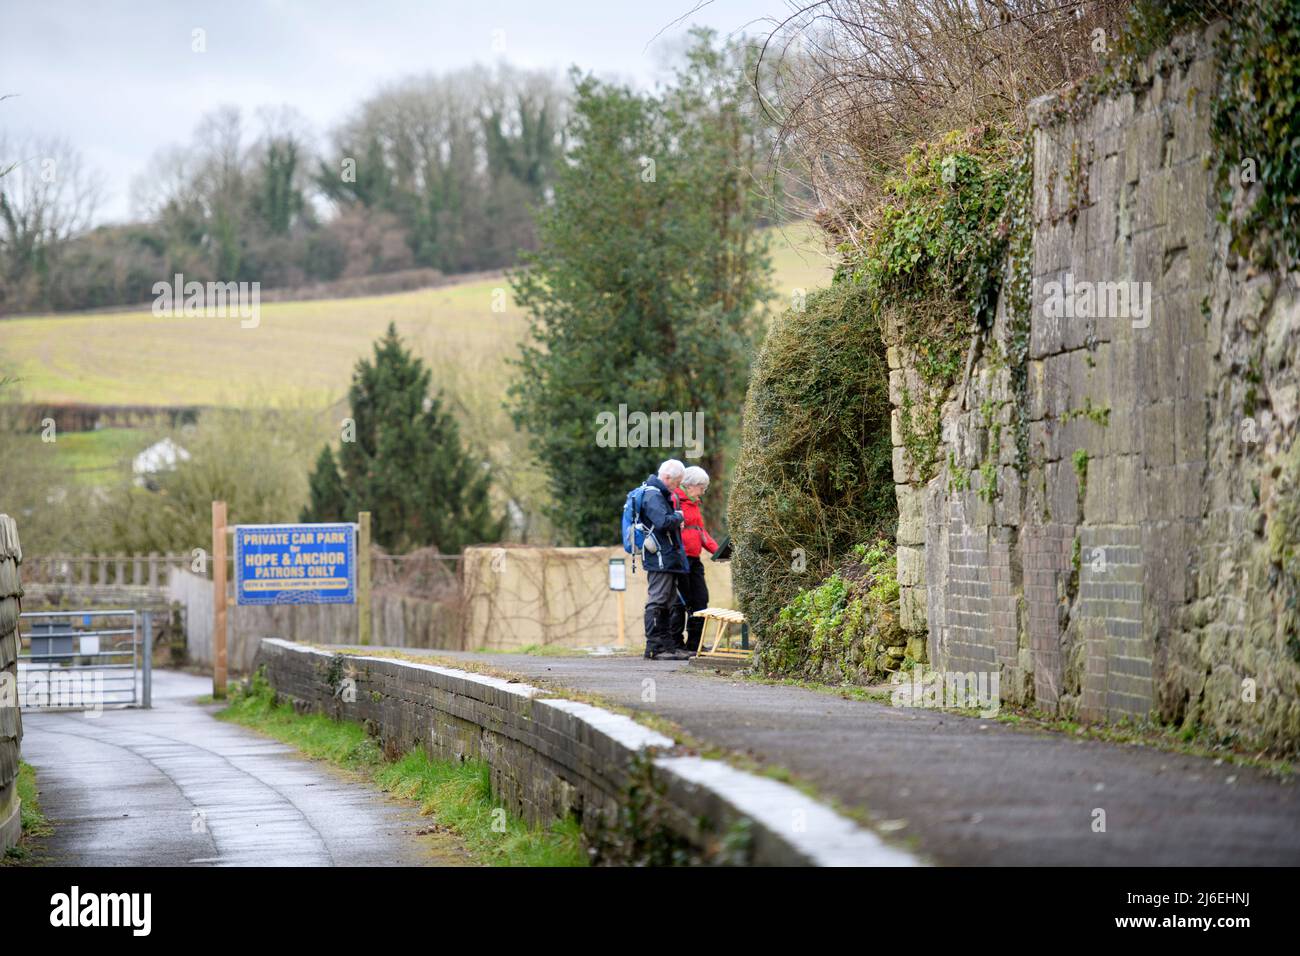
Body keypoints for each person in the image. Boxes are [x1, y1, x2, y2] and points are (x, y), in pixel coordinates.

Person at [639, 459, 692, 661]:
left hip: (667, 556)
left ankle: (668, 647)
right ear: (667, 477)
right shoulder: (652, 494)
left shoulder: (658, 493)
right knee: (658, 600)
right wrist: (679, 516)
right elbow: (662, 522)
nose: (677, 487)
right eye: (677, 482)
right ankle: (653, 648)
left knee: (669, 601)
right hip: (659, 557)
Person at [673, 466, 718, 652]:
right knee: (680, 602)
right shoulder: (673, 500)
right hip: (678, 560)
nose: (703, 492)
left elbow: (700, 532)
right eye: (702, 487)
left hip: (694, 560)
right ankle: (676, 644)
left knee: (700, 599)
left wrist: (718, 551)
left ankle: (695, 643)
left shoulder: (694, 504)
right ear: (690, 486)